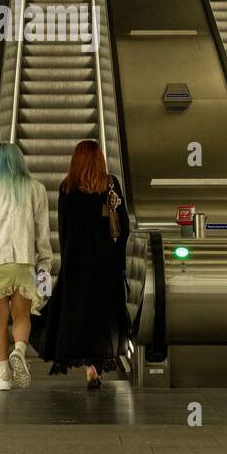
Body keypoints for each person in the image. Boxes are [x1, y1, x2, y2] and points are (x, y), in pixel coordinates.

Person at [31, 140, 131, 389]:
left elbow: (63, 228)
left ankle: (89, 366)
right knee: (103, 316)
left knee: (80, 315)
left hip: (77, 262)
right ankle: (96, 367)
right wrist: (118, 258)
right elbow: (124, 226)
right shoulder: (110, 184)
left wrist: (66, 259)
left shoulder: (67, 188)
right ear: (100, 160)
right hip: (106, 262)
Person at [0, 143, 53, 391]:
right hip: (24, 263)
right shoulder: (36, 189)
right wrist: (45, 264)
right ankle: (20, 349)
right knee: (23, 315)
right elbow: (42, 232)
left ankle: (4, 374)